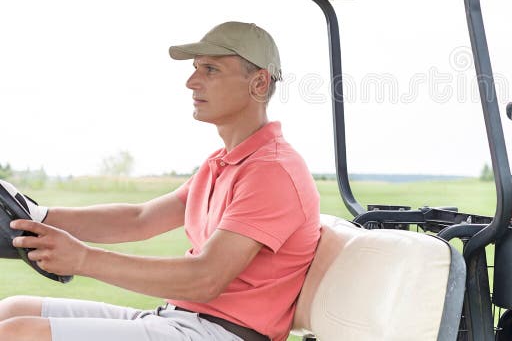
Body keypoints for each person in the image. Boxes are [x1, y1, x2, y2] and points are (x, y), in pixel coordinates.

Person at [0, 21, 321, 341]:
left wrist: (83, 259)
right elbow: (140, 219)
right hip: (180, 318)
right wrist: (39, 216)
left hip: (222, 333)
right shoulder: (223, 163)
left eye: (210, 70)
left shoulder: (273, 171)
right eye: (195, 68)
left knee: (19, 334)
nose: (191, 82)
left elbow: (206, 278)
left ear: (259, 83)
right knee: (12, 310)